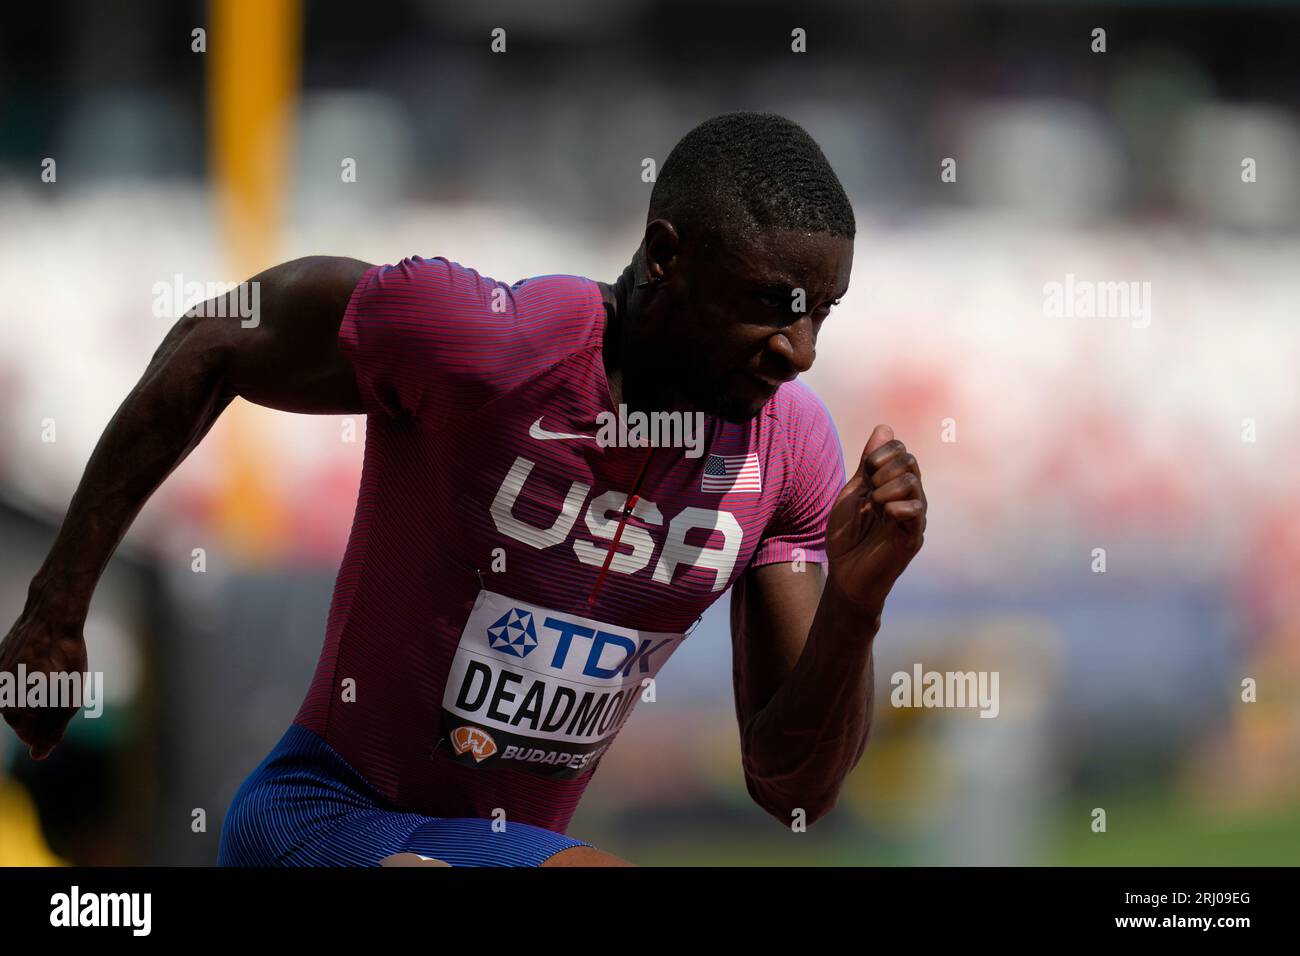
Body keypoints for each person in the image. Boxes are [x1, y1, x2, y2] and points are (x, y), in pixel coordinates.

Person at [0, 112, 927, 866]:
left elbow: (791, 789)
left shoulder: (787, 450)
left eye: (822, 315)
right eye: (771, 305)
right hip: (319, 823)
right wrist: (55, 610)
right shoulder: (484, 343)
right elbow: (218, 339)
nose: (800, 351)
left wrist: (855, 605)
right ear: (664, 257)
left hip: (492, 852)